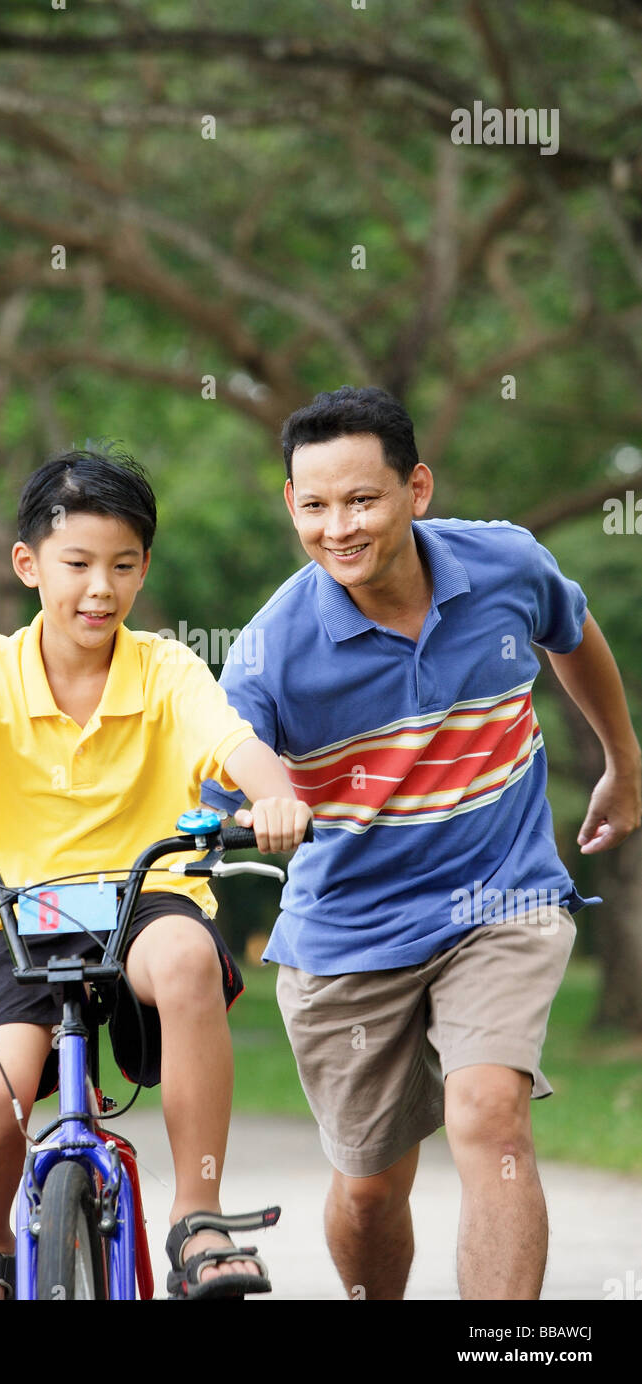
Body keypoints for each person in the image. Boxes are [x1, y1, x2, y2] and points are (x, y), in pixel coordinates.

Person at [0, 444, 312, 1301]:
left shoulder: (165, 670)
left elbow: (240, 749)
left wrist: (276, 801)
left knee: (191, 962)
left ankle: (197, 1215)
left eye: (123, 566)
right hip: (14, 918)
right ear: (27, 564)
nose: (100, 588)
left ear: (144, 569)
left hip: (144, 902)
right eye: (77, 563)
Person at [201, 385, 641, 1300]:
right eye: (314, 506)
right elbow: (220, 769)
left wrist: (622, 760)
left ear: (417, 489)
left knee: (491, 1117)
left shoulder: (506, 564)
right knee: (368, 1189)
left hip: (502, 898)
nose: (338, 527)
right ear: (290, 505)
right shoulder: (271, 650)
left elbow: (571, 630)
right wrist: (262, 801)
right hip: (349, 934)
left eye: (362, 499)